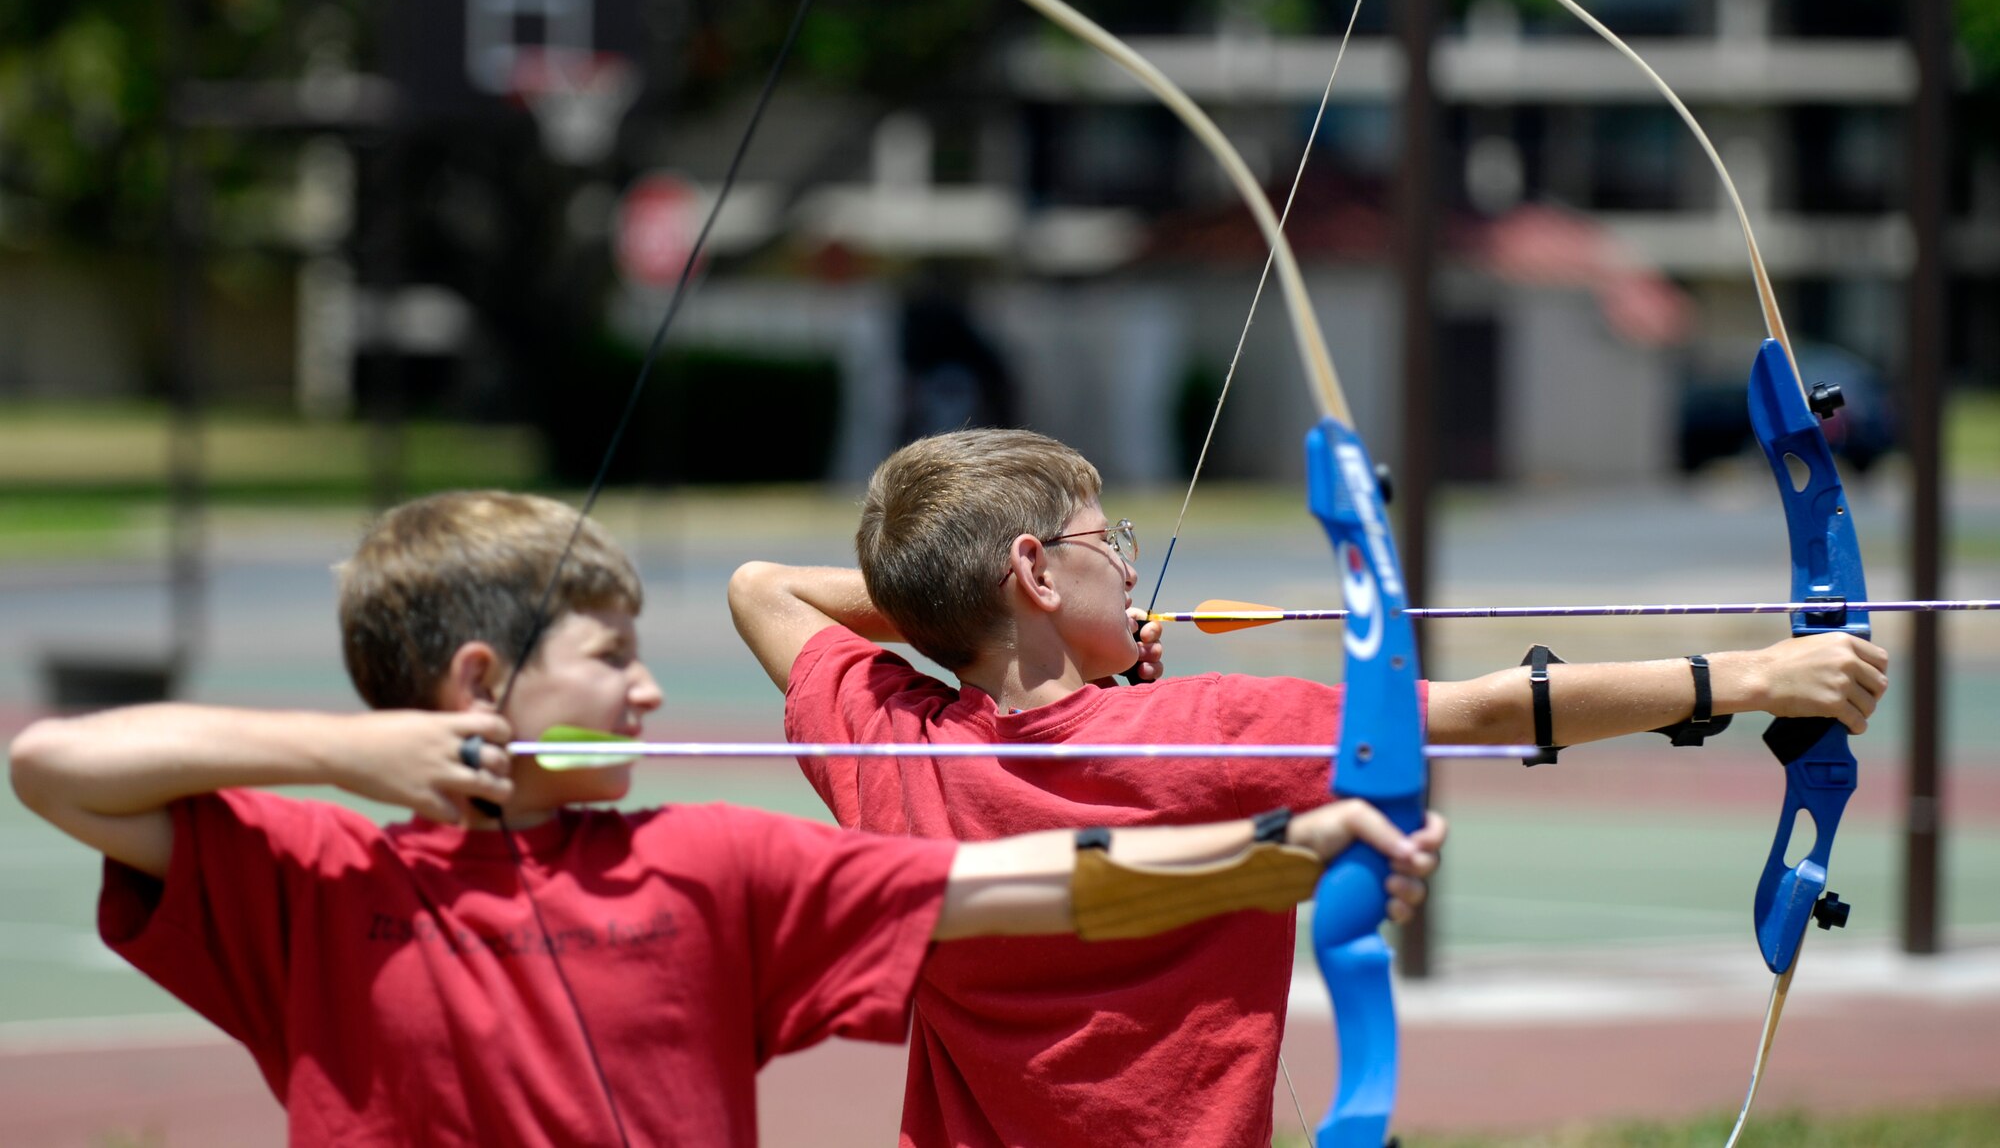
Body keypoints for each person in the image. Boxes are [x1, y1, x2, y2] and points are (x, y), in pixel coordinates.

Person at [6, 489, 1444, 1148]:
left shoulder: (702, 858)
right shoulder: (313, 882)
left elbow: (1031, 885)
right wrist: (357, 754)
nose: (647, 694)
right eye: (613, 660)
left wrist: (1282, 851)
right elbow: (60, 760)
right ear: (478, 682)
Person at [728, 427, 1892, 1148]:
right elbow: (1476, 709)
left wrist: (960, 614)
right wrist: (1747, 672)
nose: (1126, 561)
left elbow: (761, 586)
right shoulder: (1205, 727)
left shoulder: (880, 735)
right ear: (1030, 567)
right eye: (1100, 541)